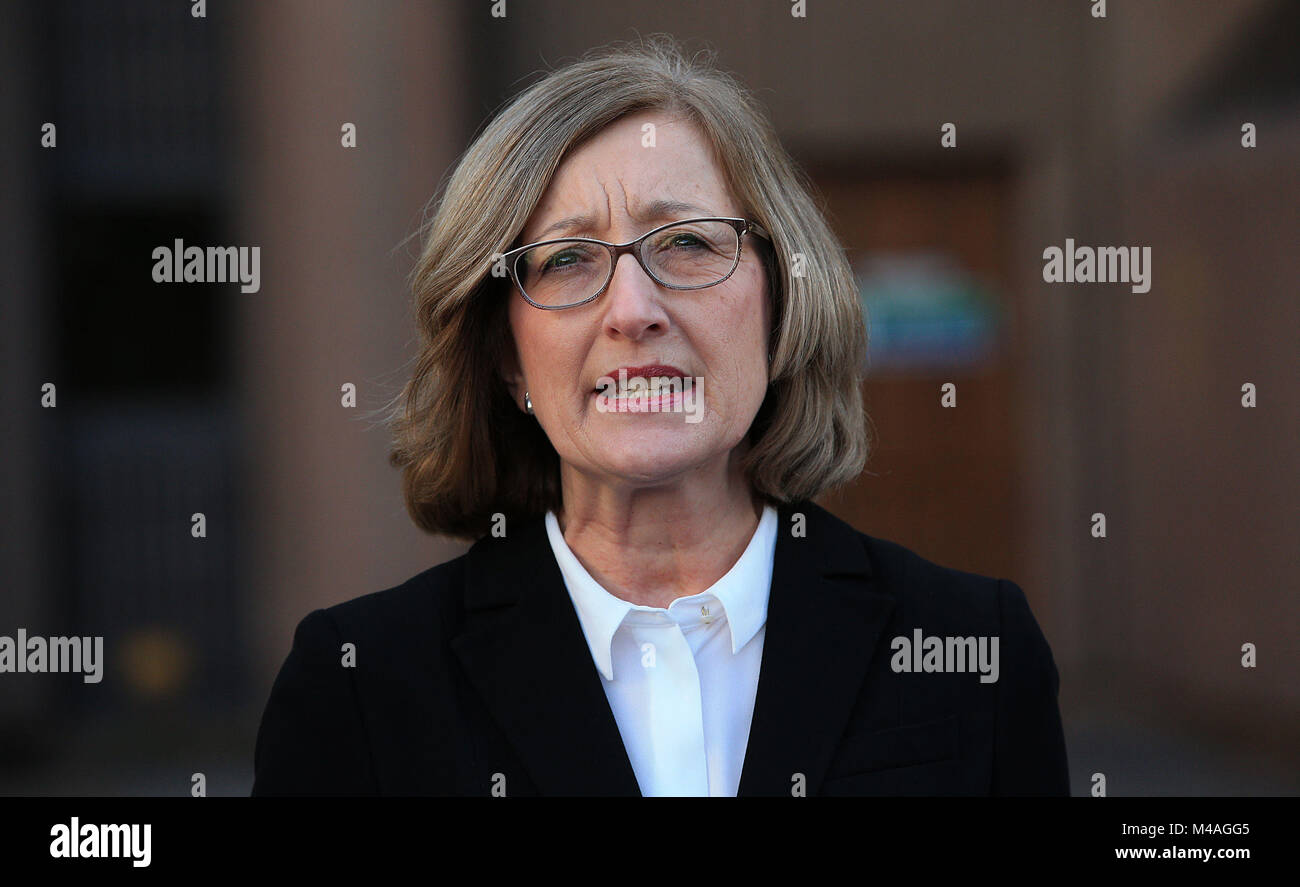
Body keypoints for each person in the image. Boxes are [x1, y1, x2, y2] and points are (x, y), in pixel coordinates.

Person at [252, 35, 1069, 797]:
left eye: (684, 243)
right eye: (568, 259)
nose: (632, 309)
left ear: (780, 300)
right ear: (506, 356)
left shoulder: (973, 646)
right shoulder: (361, 685)